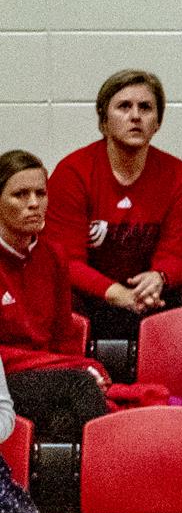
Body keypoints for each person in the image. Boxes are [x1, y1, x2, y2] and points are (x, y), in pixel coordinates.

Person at [46, 69, 182, 343]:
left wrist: (159, 277)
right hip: (90, 295)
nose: (136, 116)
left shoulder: (179, 175)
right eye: (124, 107)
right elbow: (67, 261)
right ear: (104, 121)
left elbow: (177, 252)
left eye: (146, 107)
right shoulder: (72, 172)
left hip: (150, 294)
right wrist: (118, 294)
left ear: (158, 122)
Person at [0, 150, 107, 444]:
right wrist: (71, 368)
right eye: (20, 195)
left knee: (65, 420)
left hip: (45, 378)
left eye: (40, 193)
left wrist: (71, 365)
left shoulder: (53, 255)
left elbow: (63, 337)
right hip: (4, 380)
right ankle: (113, 472)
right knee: (80, 385)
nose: (34, 203)